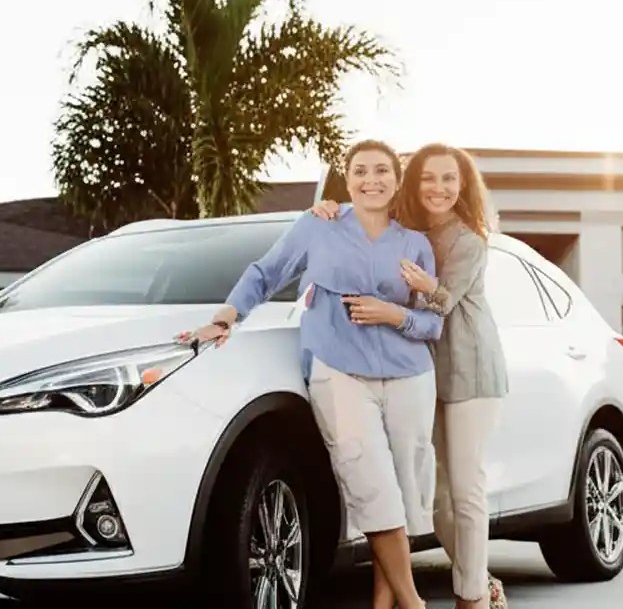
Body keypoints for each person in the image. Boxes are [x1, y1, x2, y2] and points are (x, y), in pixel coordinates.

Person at [178, 139, 444, 609]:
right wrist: (226, 317)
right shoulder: (318, 225)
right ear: (347, 177)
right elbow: (266, 273)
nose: (371, 180)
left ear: (396, 179)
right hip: (338, 371)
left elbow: (433, 323)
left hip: (409, 376)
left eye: (382, 171)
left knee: (401, 492)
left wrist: (391, 314)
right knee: (371, 486)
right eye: (360, 170)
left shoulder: (415, 244)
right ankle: (414, 603)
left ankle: (384, 605)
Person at [309, 142, 509, 609]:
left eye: (449, 179)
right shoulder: (406, 231)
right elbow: (361, 225)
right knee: (432, 498)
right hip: (417, 375)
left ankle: (473, 599)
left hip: (467, 375)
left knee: (465, 488)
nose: (438, 188)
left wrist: (425, 285)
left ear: (462, 186)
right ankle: (479, 579)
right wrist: (331, 207)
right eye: (428, 178)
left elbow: (441, 305)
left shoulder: (468, 240)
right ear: (413, 182)